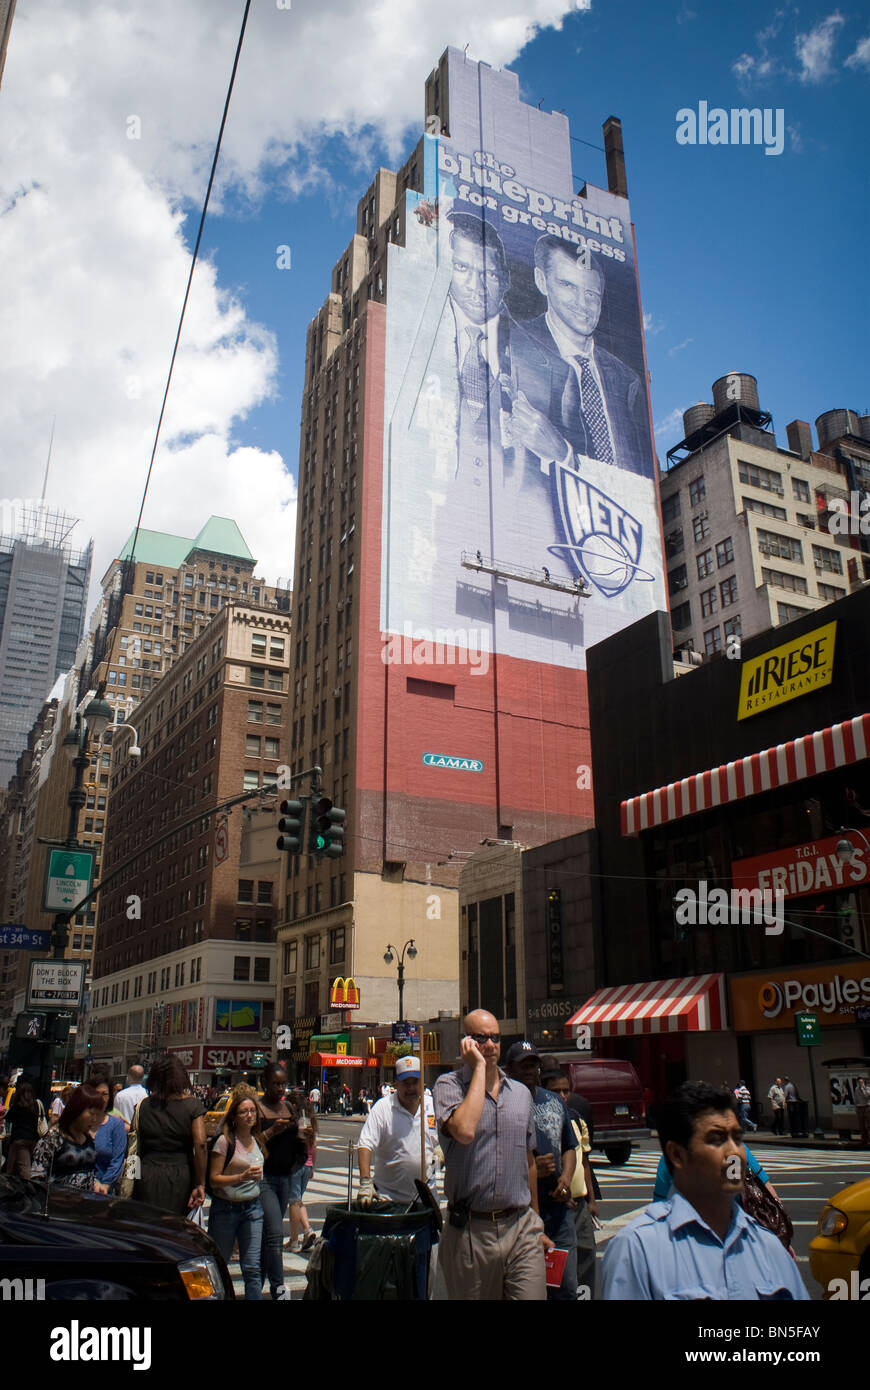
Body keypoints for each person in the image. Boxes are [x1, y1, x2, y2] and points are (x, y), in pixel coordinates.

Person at [601, 1081, 809, 1300]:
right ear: (677, 1155)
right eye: (717, 1139)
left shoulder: (769, 1247)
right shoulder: (637, 1250)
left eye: (738, 1139)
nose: (734, 1153)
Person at [433, 1009, 551, 1301]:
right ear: (466, 1043)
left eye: (495, 1038)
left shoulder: (521, 1094)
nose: (490, 1045)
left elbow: (529, 1161)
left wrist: (537, 1222)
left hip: (521, 1226)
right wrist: (480, 1071)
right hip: (472, 1233)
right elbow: (464, 1130)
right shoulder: (448, 1086)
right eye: (481, 1038)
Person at [522, 234, 653, 476]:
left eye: (591, 294)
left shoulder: (627, 381)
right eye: (567, 285)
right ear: (542, 281)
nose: (582, 303)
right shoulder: (515, 346)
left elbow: (639, 472)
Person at [506, 1042, 577, 1301]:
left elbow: (570, 1146)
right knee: (529, 1291)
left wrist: (566, 1179)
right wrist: (534, 1172)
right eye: (523, 1064)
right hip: (520, 1215)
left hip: (558, 1212)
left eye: (533, 1064)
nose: (529, 1070)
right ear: (509, 1069)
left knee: (565, 1288)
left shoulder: (555, 1101)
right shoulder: (504, 1106)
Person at [541, 1068, 599, 1298]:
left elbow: (584, 1161)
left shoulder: (575, 1118)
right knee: (560, 1275)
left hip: (580, 1205)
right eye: (556, 1091)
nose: (562, 1096)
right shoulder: (538, 1120)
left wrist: (591, 1200)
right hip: (557, 1207)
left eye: (566, 1091)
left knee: (586, 1260)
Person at [208, 1087, 267, 1301]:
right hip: (226, 1209)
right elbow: (214, 1179)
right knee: (220, 1265)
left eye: (252, 1110)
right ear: (234, 1116)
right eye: (244, 1111)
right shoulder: (225, 1142)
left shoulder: (257, 1140)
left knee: (252, 1268)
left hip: (252, 1207)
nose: (249, 1115)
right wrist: (240, 1177)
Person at [357, 1055, 438, 1206]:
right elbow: (365, 1144)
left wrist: (441, 1151)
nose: (411, 1088)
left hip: (426, 1199)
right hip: (389, 1199)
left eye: (415, 1083)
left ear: (422, 1083)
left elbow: (446, 1138)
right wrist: (365, 1182)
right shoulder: (383, 1108)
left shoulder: (432, 1106)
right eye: (406, 1084)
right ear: (396, 1084)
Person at [257, 1062, 306, 1301]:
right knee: (276, 1233)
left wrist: (302, 1136)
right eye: (275, 1083)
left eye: (282, 1084)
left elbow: (299, 1139)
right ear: (264, 1083)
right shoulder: (256, 1109)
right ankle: (279, 1289)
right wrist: (271, 1132)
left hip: (285, 1175)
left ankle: (257, 1283)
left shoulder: (288, 1106)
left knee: (269, 1238)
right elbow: (248, 1143)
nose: (279, 1088)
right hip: (263, 1178)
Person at [134, 1052, 205, 1216]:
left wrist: (131, 1181)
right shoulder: (192, 1106)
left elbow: (133, 1145)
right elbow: (200, 1144)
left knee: (148, 1225)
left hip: (147, 1170)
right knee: (175, 1227)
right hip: (181, 1172)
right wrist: (200, 1183)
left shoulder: (143, 1106)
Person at [32, 1083, 107, 1192]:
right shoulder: (52, 1139)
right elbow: (36, 1180)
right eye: (91, 1113)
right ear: (77, 1110)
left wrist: (96, 1184)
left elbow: (88, 1174)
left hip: (81, 1206)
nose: (94, 1120)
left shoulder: (88, 1140)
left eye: (98, 1114)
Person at [88, 1071, 127, 1195]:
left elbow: (117, 1160)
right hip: (78, 1188)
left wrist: (105, 1184)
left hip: (105, 1192)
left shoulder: (116, 1124)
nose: (101, 1098)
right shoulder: (81, 1121)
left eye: (105, 1094)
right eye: (97, 1093)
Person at [5, 1080, 45, 1178]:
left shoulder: (18, 1105)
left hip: (19, 1140)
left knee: (23, 1169)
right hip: (32, 1139)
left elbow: (9, 1118)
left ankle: (29, 1189)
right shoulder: (35, 1105)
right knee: (21, 1166)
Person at [114, 1065, 148, 1132]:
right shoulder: (148, 1094)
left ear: (129, 1077)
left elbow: (115, 1116)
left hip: (125, 1133)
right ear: (142, 1078)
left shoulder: (120, 1096)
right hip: (143, 1134)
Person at [854, 1075, 870, 1145]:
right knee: (861, 1125)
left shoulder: (867, 1088)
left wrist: (863, 1088)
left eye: (861, 1082)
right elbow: (856, 1099)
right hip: (860, 1107)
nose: (860, 1083)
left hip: (867, 1107)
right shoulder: (856, 1089)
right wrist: (856, 1107)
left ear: (863, 1082)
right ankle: (864, 1139)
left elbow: (867, 1096)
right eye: (859, 1082)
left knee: (869, 1124)